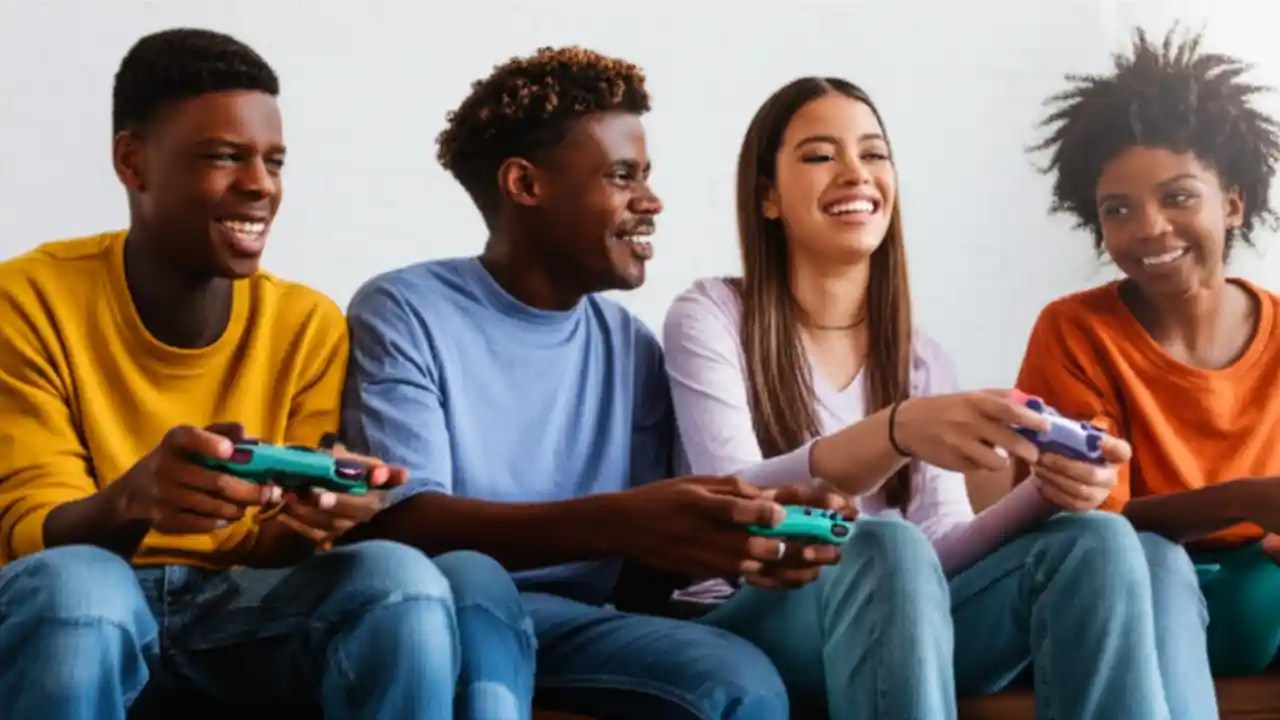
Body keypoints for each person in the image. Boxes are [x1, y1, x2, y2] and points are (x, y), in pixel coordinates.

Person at [0, 28, 532, 720]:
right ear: (133, 163)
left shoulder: (305, 323)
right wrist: (134, 500)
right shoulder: (28, 299)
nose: (259, 185)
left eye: (272, 161)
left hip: (241, 608)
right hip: (83, 599)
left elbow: (273, 548)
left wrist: (318, 515)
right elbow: (27, 539)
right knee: (83, 592)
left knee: (400, 580)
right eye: (224, 157)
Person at [661, 73, 1216, 718]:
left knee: (1098, 538)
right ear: (768, 198)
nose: (854, 173)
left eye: (873, 154)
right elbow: (733, 504)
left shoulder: (921, 358)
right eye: (820, 156)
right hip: (752, 614)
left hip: (904, 621)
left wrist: (1047, 489)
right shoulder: (711, 315)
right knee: (885, 546)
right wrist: (895, 431)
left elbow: (940, 552)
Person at [341, 46, 842, 719]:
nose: (651, 199)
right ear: (525, 184)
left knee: (739, 683)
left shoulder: (630, 347)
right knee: (474, 577)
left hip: (580, 625)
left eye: (647, 175)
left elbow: (642, 572)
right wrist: (617, 523)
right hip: (452, 608)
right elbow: (405, 524)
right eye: (621, 175)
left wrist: (740, 529)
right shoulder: (405, 310)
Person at [1021, 27, 1280, 679]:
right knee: (1155, 566)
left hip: (1266, 592)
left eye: (1178, 197)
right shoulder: (1076, 333)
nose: (1150, 228)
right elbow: (1097, 529)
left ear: (1233, 202)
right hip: (1134, 595)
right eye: (1119, 209)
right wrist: (1242, 499)